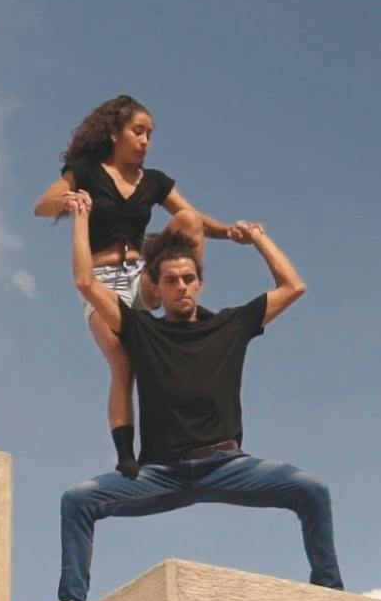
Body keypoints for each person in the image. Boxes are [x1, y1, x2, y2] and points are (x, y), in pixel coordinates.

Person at [27, 204, 341, 601]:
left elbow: (293, 286)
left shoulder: (231, 324)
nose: (181, 287)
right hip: (162, 473)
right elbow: (85, 281)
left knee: (312, 490)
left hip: (228, 465)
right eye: (170, 281)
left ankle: (331, 595)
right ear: (155, 286)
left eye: (189, 279)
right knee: (77, 500)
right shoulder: (141, 328)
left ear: (201, 283)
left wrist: (257, 239)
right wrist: (81, 218)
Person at [33, 95, 234, 481]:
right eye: (137, 132)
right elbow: (42, 206)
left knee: (187, 220)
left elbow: (195, 219)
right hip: (103, 283)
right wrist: (70, 199)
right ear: (114, 133)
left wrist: (229, 232)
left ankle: (184, 308)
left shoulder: (154, 181)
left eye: (150, 135)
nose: (145, 141)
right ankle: (127, 455)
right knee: (124, 362)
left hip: (143, 277)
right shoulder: (88, 171)